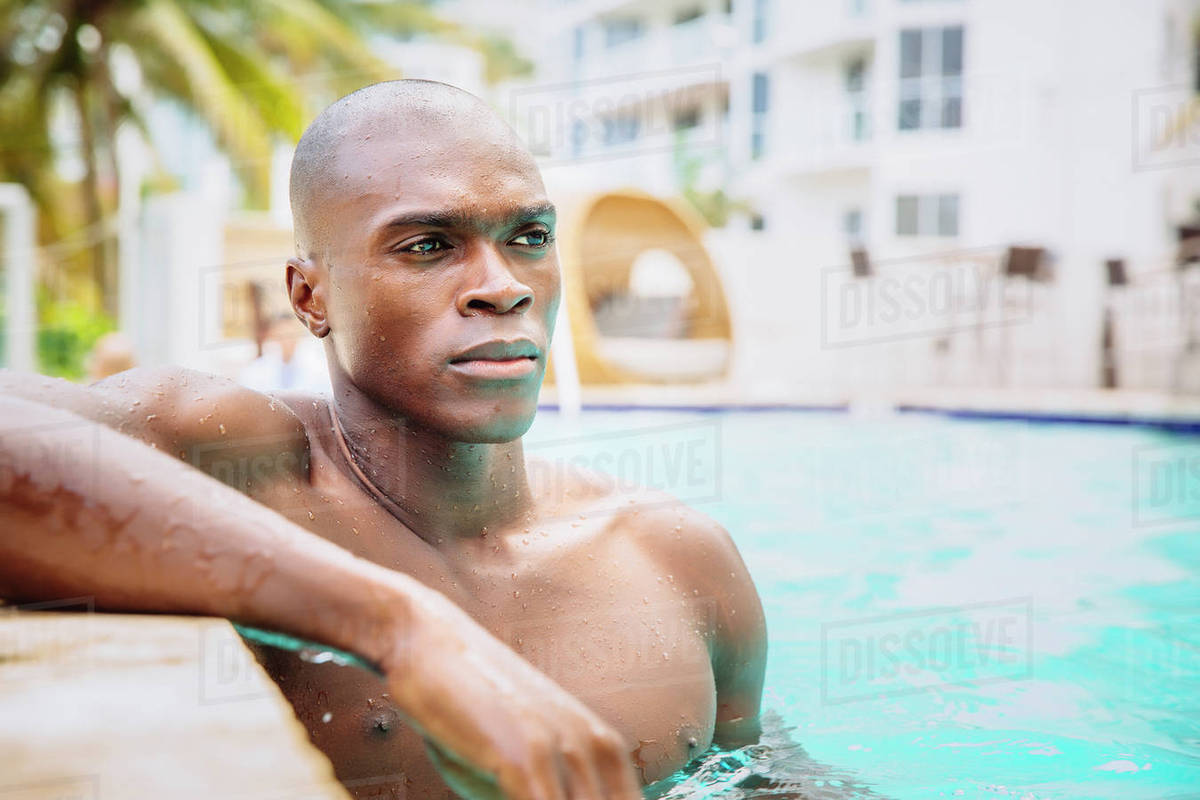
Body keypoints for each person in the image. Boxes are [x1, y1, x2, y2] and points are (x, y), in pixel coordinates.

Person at [0, 80, 766, 800]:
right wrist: (399, 624)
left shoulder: (679, 559)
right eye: (428, 245)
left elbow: (767, 781)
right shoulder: (238, 467)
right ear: (310, 295)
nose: (503, 285)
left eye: (529, 236)